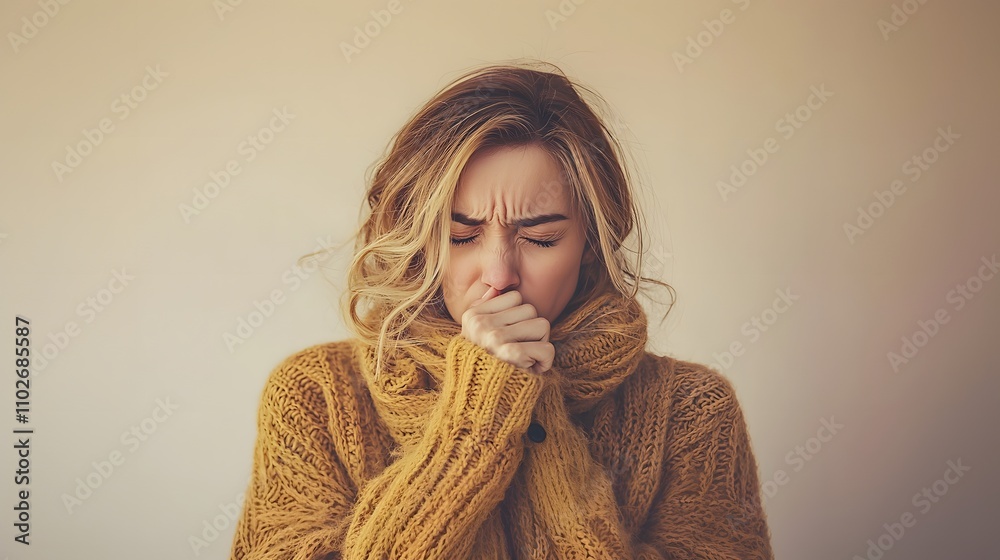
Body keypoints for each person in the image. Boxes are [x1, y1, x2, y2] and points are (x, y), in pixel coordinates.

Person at [229, 60, 775, 559]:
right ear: (420, 240)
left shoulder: (693, 411)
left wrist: (540, 421)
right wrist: (478, 413)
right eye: (462, 235)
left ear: (590, 241)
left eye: (540, 238)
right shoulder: (312, 396)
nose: (498, 274)